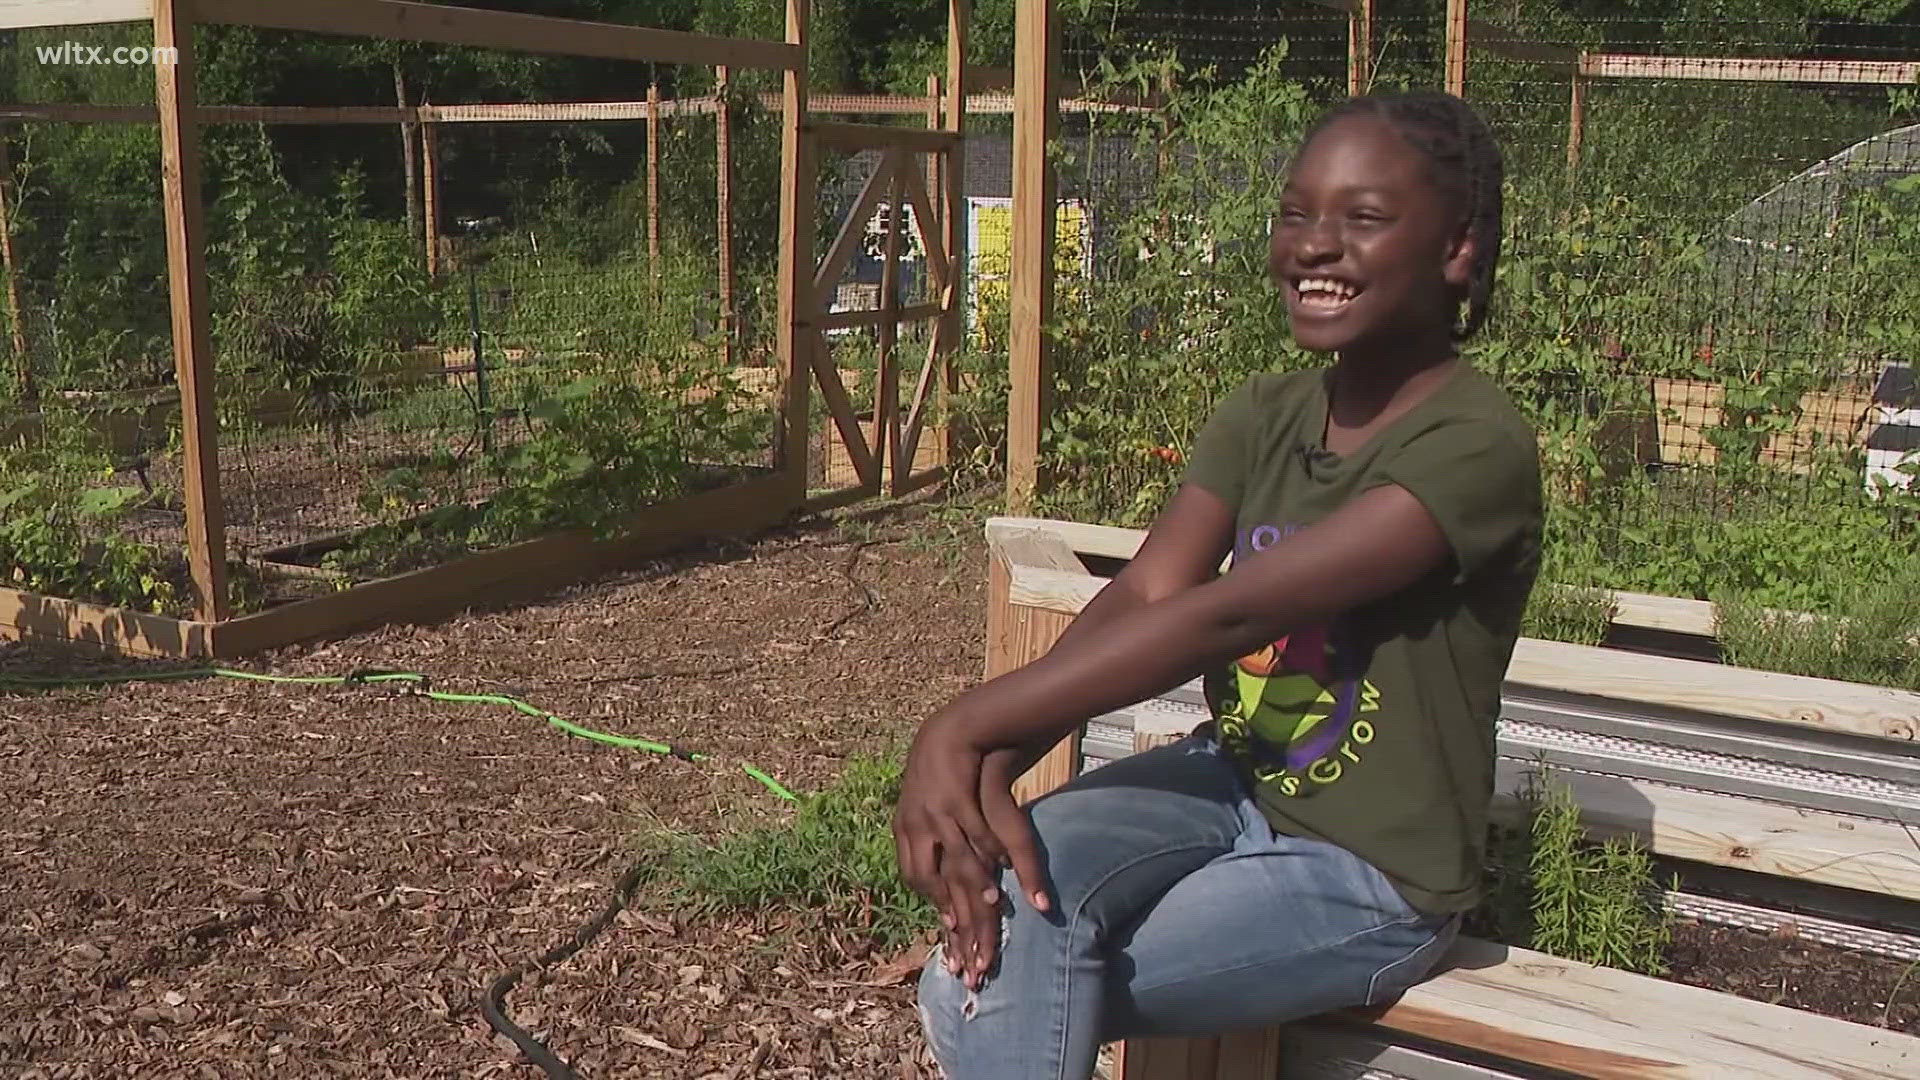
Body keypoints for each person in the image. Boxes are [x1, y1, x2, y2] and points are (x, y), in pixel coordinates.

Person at [892, 89, 1544, 1080]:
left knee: (992, 972)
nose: (1315, 245)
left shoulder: (1475, 444)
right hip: (1225, 784)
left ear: (1457, 249)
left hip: (1371, 876)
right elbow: (1149, 589)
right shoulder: (1266, 412)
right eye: (1295, 215)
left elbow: (1236, 609)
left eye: (1363, 219)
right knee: (1012, 932)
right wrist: (1002, 749)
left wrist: (963, 726)